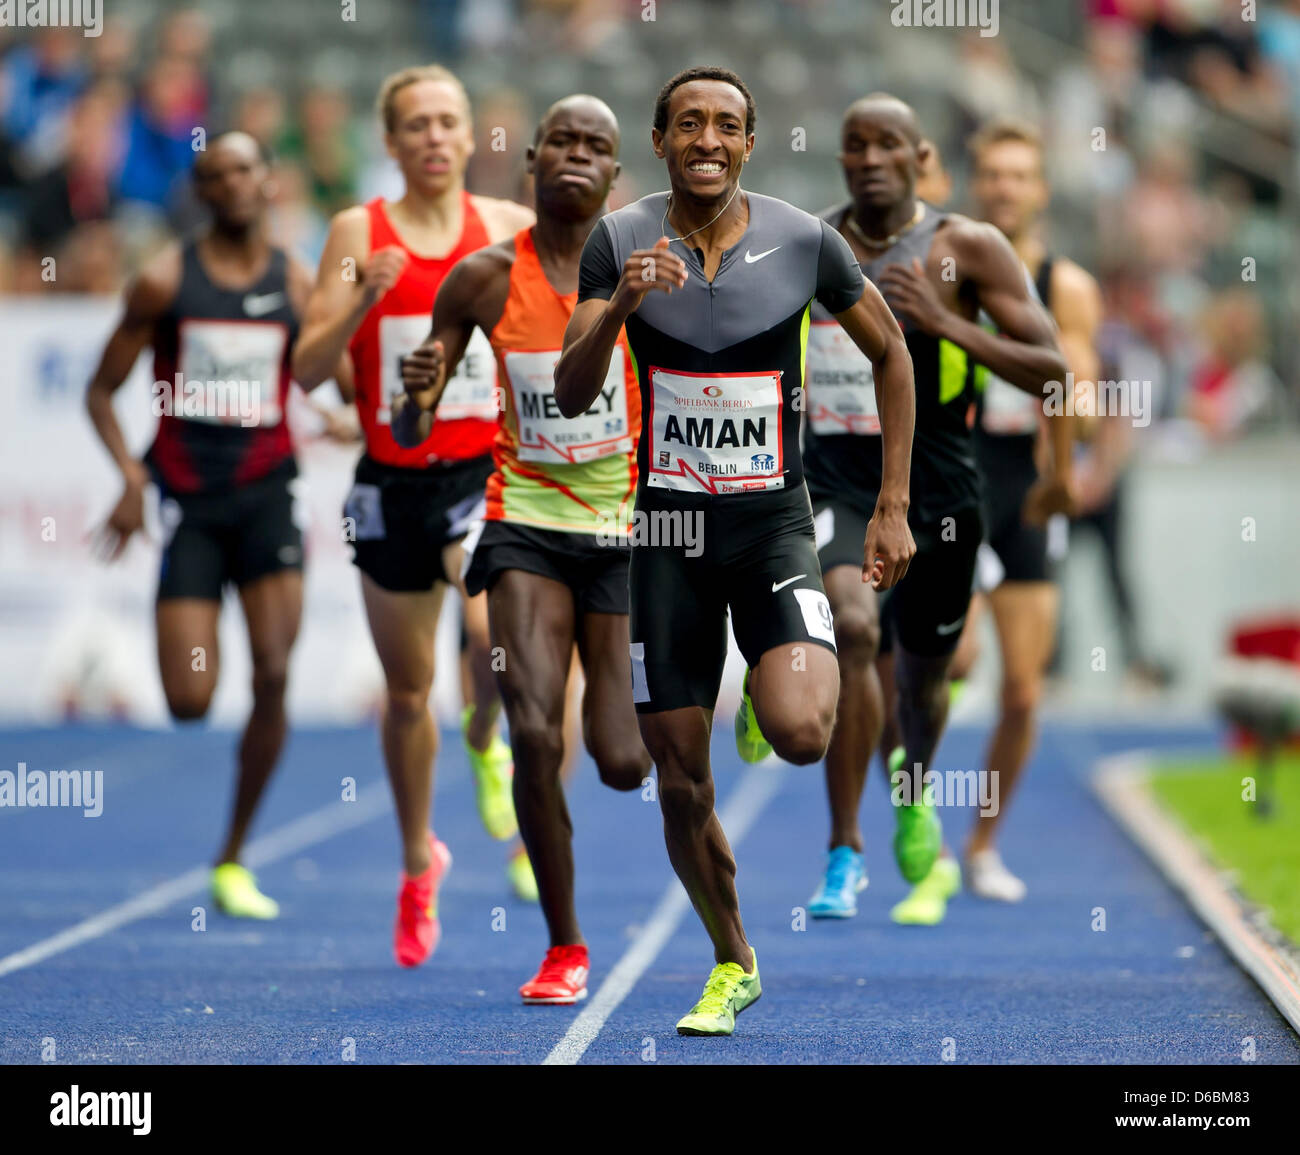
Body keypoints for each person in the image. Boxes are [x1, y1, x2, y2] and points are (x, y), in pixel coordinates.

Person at [556, 67, 916, 1035]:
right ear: (662, 140)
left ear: (748, 143)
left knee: (801, 730)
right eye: (687, 124)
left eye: (725, 125)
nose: (706, 138)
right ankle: (733, 959)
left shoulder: (804, 240)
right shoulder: (620, 239)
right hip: (665, 536)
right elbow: (573, 384)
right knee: (676, 777)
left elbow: (893, 355)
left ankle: (769, 683)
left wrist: (890, 504)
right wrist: (624, 302)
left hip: (772, 526)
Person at [396, 95, 650, 1005]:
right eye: (564, 141)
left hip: (623, 536)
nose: (578, 156)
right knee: (537, 732)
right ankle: (564, 944)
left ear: (616, 175)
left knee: (623, 759)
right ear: (533, 157)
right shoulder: (481, 278)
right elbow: (409, 414)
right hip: (523, 526)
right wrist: (412, 392)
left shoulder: (647, 274)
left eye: (598, 146)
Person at [798, 95, 1069, 927]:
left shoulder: (965, 246)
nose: (871, 158)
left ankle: (912, 790)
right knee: (853, 626)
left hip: (945, 492)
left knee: (925, 680)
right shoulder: (806, 244)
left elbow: (1050, 366)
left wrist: (949, 323)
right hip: (840, 482)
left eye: (889, 145)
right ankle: (845, 849)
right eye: (855, 145)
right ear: (840, 158)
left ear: (920, 156)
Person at [292, 65, 534, 967]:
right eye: (416, 125)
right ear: (390, 144)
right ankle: (416, 859)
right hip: (391, 482)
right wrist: (363, 292)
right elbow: (312, 368)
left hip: (484, 470)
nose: (434, 137)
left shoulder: (508, 230)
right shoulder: (358, 231)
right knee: (403, 693)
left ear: (472, 138)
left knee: (486, 632)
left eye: (448, 122)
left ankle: (486, 738)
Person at [86, 132, 324, 919]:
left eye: (243, 171)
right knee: (189, 698)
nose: (231, 186)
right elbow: (100, 390)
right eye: (213, 176)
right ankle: (229, 841)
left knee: (275, 671)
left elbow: (332, 372)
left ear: (268, 180)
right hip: (191, 507)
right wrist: (129, 474)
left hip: (266, 502)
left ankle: (232, 853)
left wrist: (340, 410)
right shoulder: (163, 281)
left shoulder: (295, 278)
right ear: (202, 190)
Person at [951, 118, 1100, 902]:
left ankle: (980, 843)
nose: (1006, 187)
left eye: (1020, 175)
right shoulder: (947, 271)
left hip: (1028, 486)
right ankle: (914, 818)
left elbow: (1079, 386)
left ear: (1041, 190)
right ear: (980, 185)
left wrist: (1074, 468)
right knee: (957, 661)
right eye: (995, 175)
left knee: (1022, 692)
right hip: (957, 481)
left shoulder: (1067, 286)